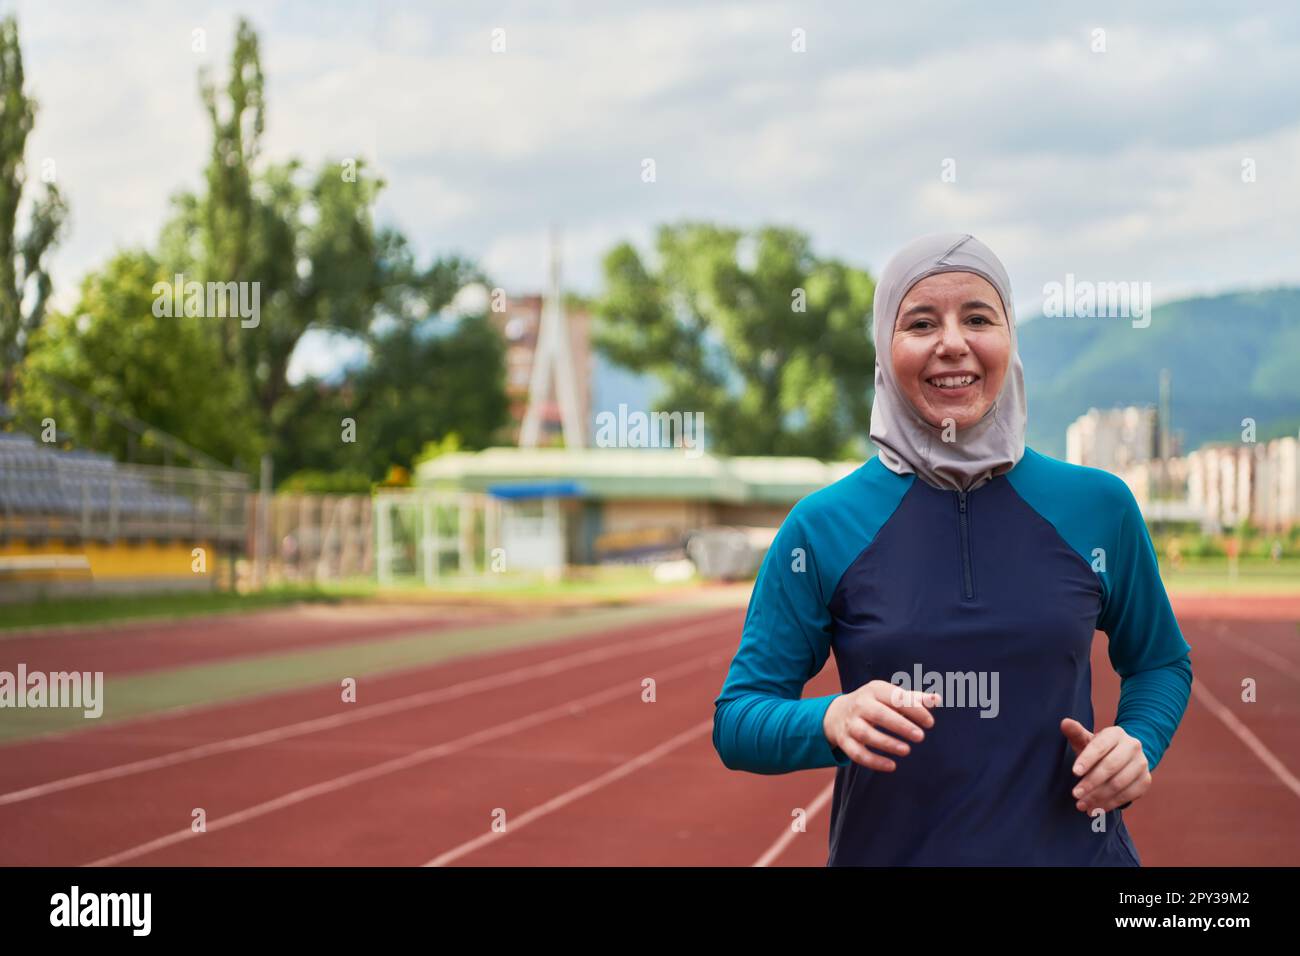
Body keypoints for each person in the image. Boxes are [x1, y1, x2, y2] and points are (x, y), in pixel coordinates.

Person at [711, 232, 1194, 866]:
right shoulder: (821, 527)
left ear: (1009, 338)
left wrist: (1138, 742)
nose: (952, 344)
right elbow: (738, 720)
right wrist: (829, 720)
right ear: (886, 348)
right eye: (920, 322)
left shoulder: (1099, 506)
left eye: (977, 318)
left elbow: (1161, 663)